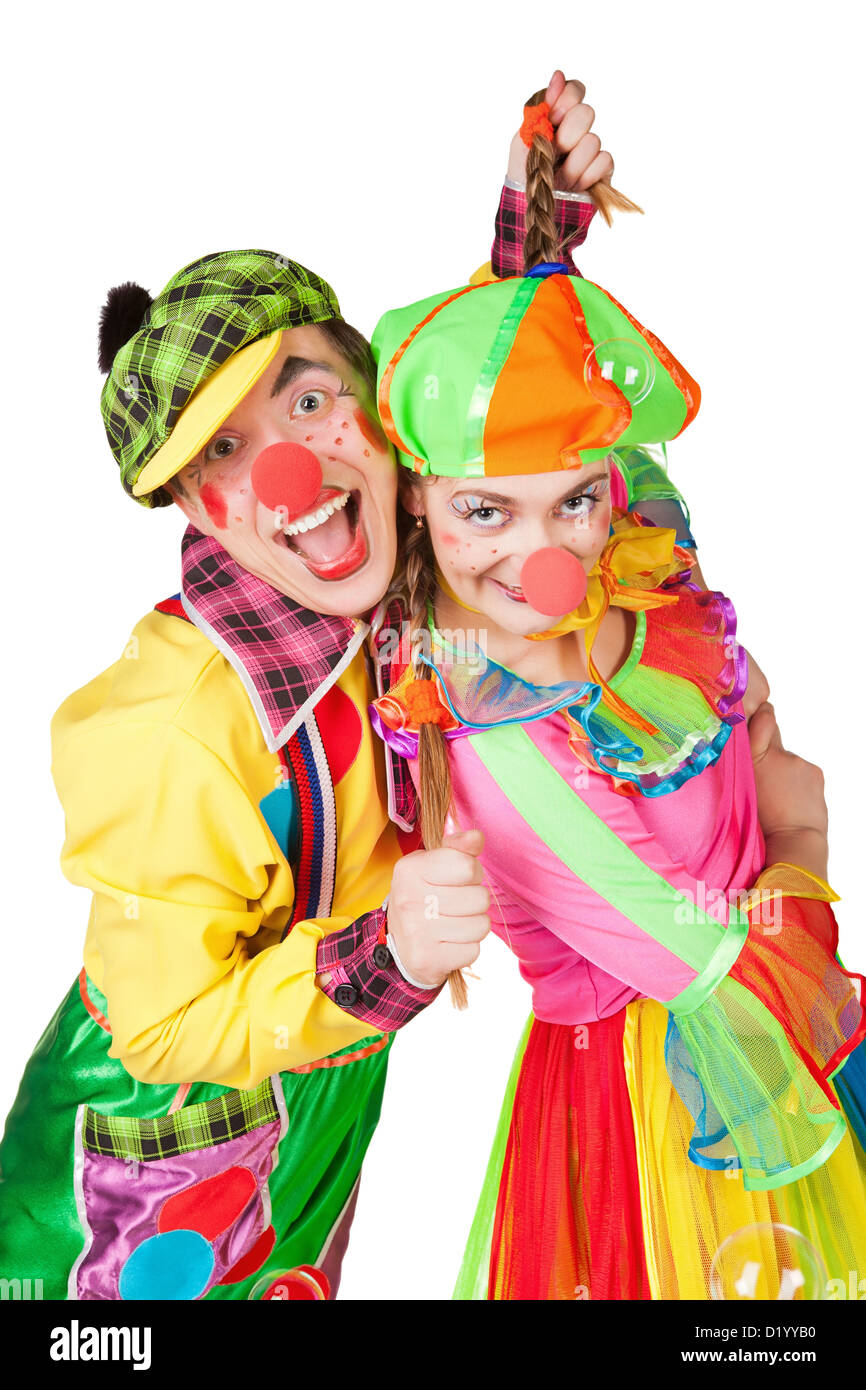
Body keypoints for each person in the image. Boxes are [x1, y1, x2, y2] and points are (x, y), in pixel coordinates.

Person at [0, 75, 661, 1302]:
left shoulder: (389, 533)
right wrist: (386, 951)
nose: (292, 467)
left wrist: (542, 217)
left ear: (370, 408)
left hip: (319, 1101)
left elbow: (483, 398)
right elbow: (160, 1027)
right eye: (227, 453)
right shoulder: (174, 726)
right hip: (146, 1165)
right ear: (198, 509)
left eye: (306, 399)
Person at [367, 98, 866, 1299]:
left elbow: (531, 394)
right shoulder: (499, 749)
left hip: (741, 1067)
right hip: (659, 1115)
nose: (540, 556)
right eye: (483, 510)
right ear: (416, 501)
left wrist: (539, 239)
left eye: (574, 504)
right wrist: (797, 832)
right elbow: (705, 959)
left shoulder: (627, 573)